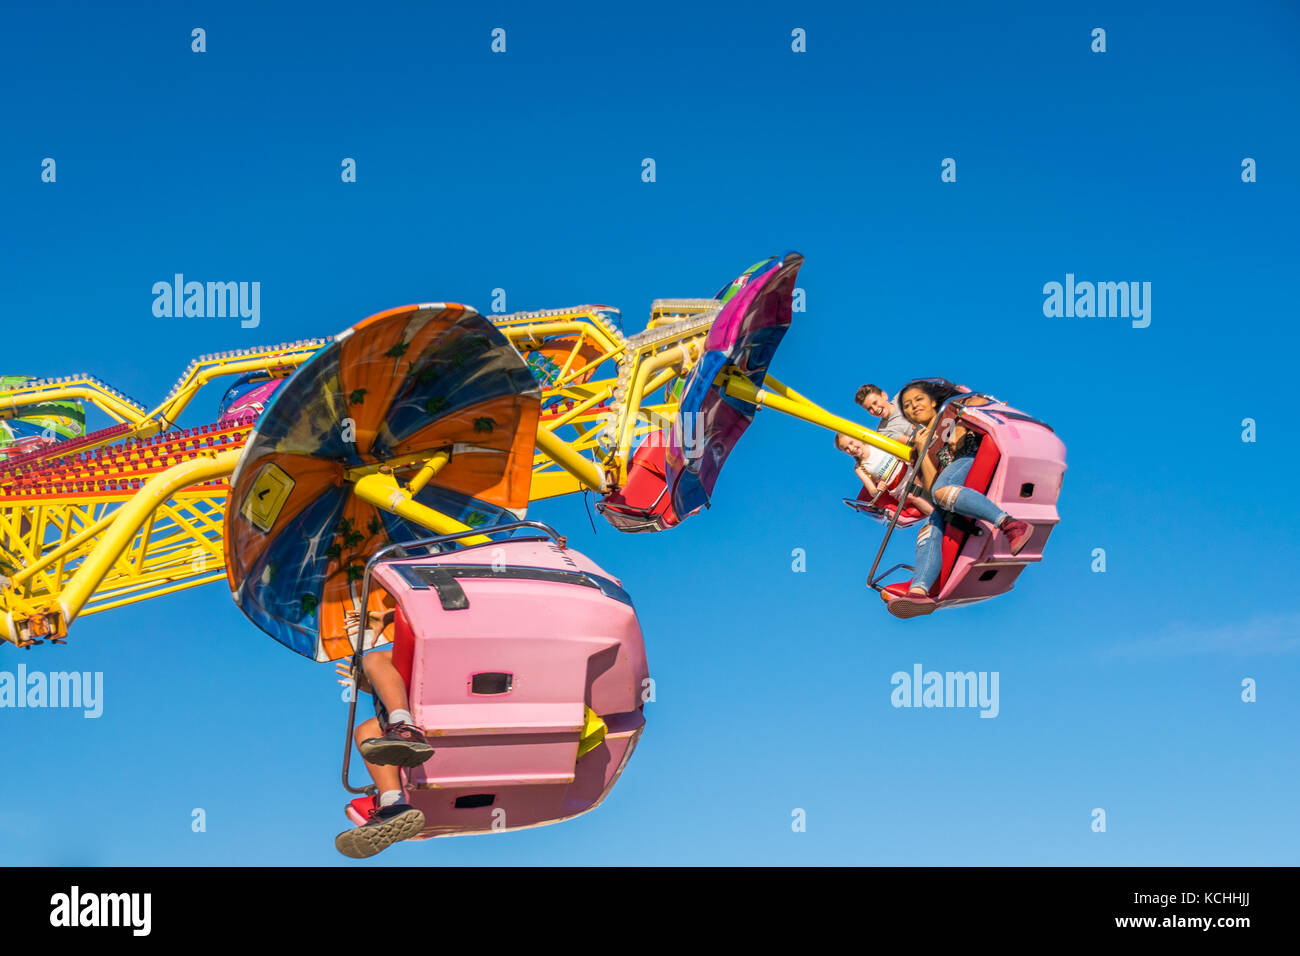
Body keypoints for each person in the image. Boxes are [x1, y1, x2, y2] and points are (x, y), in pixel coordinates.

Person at [883, 379, 1032, 619]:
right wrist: (922, 451)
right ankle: (919, 591)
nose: (913, 407)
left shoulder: (952, 411)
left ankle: (1008, 523)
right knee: (930, 525)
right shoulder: (920, 441)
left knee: (942, 492)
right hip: (949, 487)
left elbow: (983, 405)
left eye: (918, 400)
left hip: (969, 459)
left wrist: (962, 424)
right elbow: (932, 488)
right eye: (908, 406)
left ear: (933, 401)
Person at [332, 600, 436, 858]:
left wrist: (388, 618)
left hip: (453, 668)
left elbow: (435, 603)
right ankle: (392, 804)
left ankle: (405, 726)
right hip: (450, 695)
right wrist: (372, 685)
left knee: (375, 658)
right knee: (366, 731)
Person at [834, 433, 932, 515]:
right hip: (899, 489)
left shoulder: (876, 443)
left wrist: (899, 454)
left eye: (851, 443)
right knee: (911, 496)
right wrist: (878, 489)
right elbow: (872, 491)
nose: (851, 449)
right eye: (846, 449)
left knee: (924, 479)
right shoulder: (860, 468)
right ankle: (936, 514)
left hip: (910, 472)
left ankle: (941, 498)